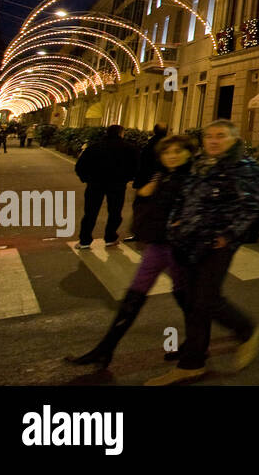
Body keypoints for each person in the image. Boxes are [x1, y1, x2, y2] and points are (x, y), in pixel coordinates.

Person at [146, 121, 259, 385]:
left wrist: (228, 235)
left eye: (220, 136)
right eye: (209, 136)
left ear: (234, 139)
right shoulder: (200, 162)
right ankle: (195, 353)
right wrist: (175, 222)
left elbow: (252, 207)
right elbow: (186, 197)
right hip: (188, 239)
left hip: (215, 243)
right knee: (189, 298)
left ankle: (243, 331)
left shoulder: (243, 168)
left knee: (205, 300)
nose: (213, 140)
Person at [67, 135, 194, 370]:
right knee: (135, 295)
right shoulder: (164, 174)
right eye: (168, 152)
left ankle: (201, 343)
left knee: (184, 296)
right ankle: (105, 349)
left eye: (178, 151)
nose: (172, 155)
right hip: (157, 245)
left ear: (188, 153)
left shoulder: (190, 179)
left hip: (177, 247)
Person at [75, 124, 139, 248]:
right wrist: (127, 178)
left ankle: (85, 241)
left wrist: (86, 179)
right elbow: (136, 167)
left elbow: (80, 166)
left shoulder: (94, 147)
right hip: (117, 184)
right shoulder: (130, 148)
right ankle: (110, 237)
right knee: (115, 212)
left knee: (90, 212)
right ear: (121, 133)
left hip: (95, 184)